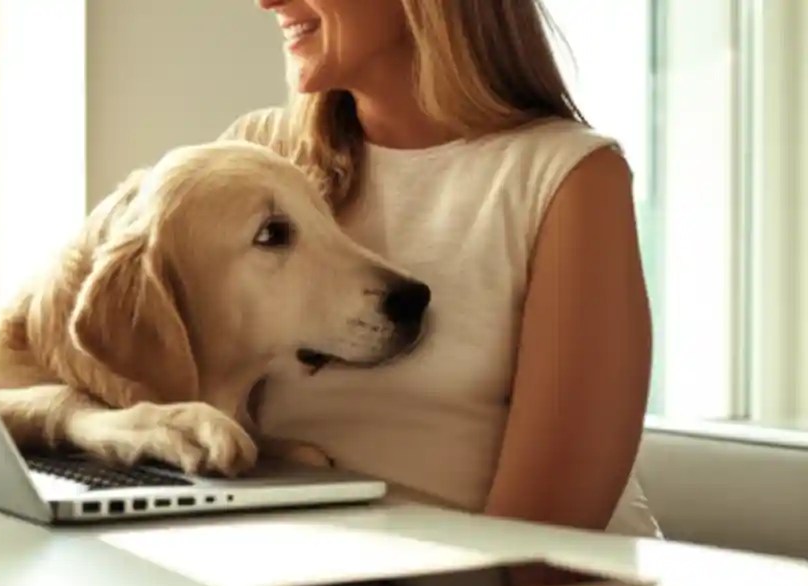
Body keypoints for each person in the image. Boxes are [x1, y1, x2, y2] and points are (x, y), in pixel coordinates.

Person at [226, 0, 661, 536]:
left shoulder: (569, 178)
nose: (265, 1)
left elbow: (543, 542)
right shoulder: (257, 158)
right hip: (304, 580)